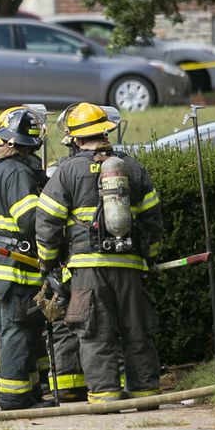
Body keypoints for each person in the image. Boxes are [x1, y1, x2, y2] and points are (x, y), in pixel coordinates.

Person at [37, 103, 163, 406]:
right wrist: (150, 258)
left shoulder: (67, 171)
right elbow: (153, 220)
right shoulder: (132, 167)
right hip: (130, 266)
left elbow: (48, 222)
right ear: (106, 132)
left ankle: (106, 397)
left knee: (95, 333)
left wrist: (48, 263)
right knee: (137, 331)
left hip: (87, 270)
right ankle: (145, 395)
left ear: (75, 139)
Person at [0, 106, 55, 410]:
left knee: (23, 334)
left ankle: (32, 391)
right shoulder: (18, 173)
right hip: (19, 269)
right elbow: (30, 222)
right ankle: (13, 397)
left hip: (1, 267)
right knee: (18, 334)